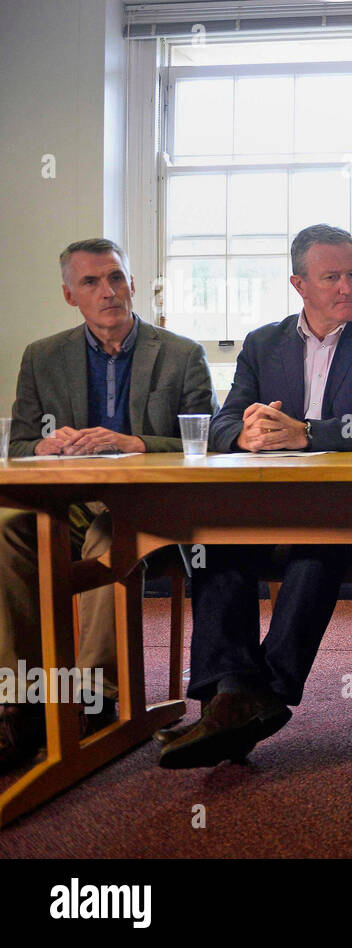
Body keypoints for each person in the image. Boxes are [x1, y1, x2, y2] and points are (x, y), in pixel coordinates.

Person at [157, 224, 352, 769]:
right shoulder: (261, 343)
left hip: (343, 509)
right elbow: (226, 418)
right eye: (331, 277)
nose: (347, 287)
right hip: (263, 507)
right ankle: (234, 691)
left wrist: (307, 433)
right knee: (213, 543)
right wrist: (242, 436)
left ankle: (257, 694)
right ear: (299, 284)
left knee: (319, 545)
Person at [0, 238, 216, 773]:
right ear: (70, 295)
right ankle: (24, 701)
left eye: (116, 277)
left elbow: (209, 444)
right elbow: (20, 446)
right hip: (68, 502)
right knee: (6, 527)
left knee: (106, 535)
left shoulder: (181, 354)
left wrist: (134, 442)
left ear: (133, 283)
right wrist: (45, 446)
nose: (108, 291)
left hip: (153, 511)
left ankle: (95, 698)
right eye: (92, 282)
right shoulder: (42, 356)